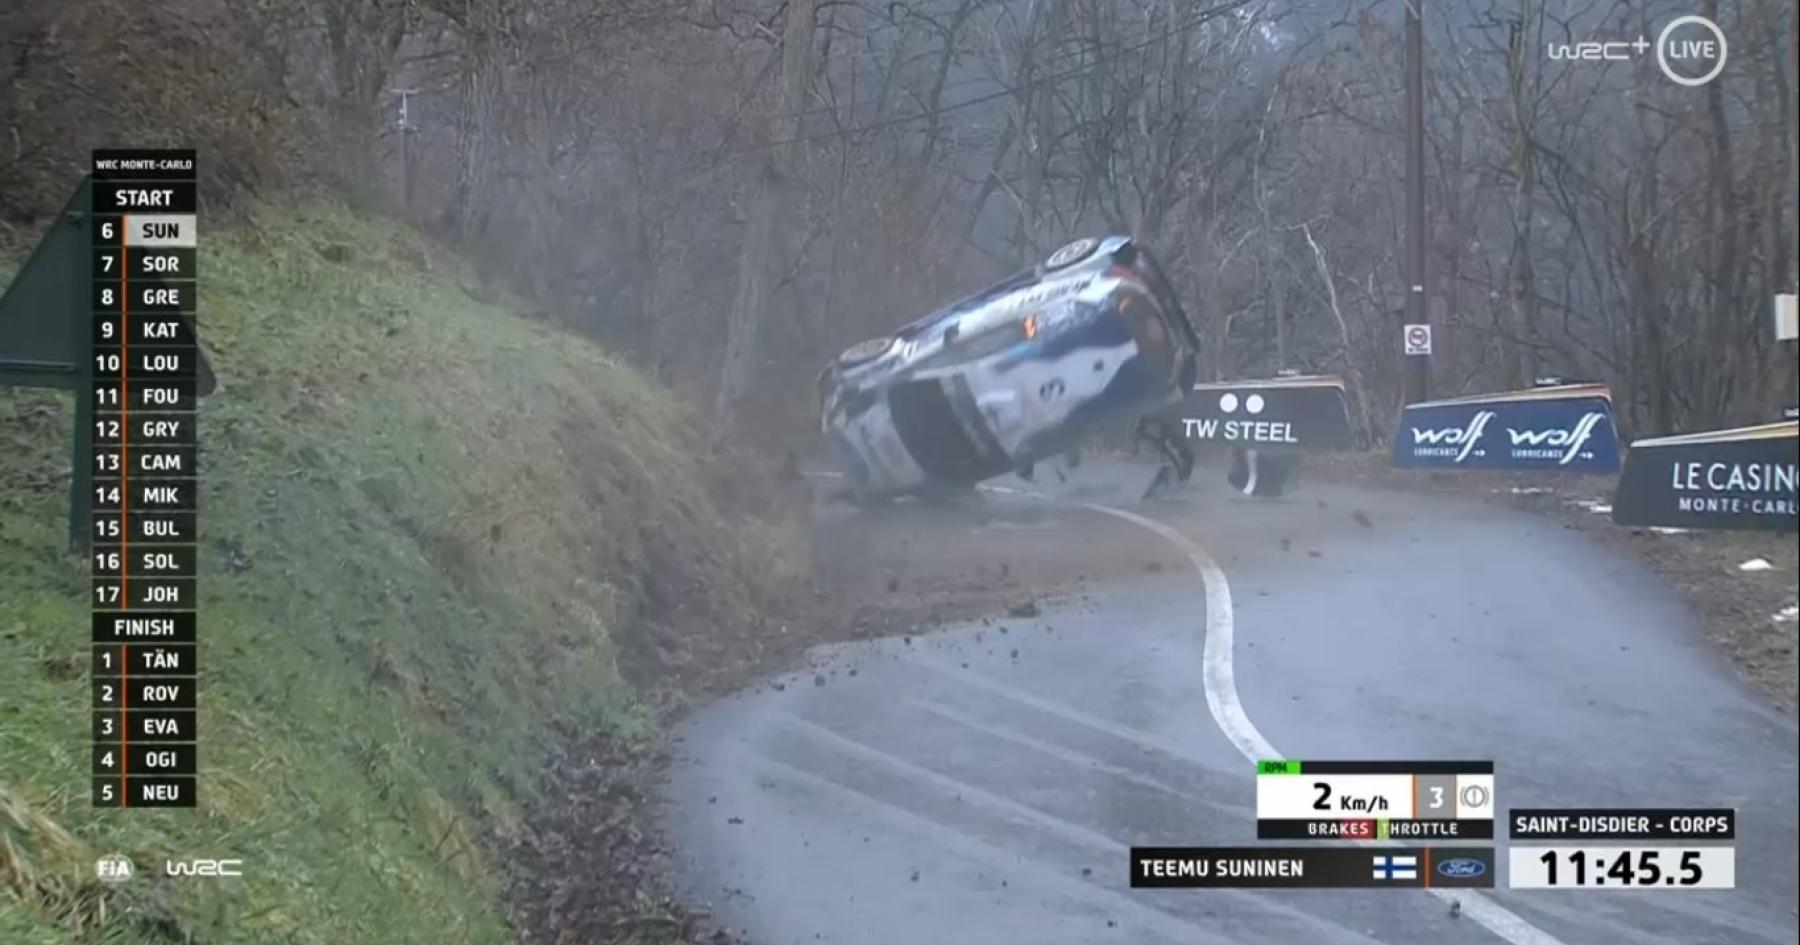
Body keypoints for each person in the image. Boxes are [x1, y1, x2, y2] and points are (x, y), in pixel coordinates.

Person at [1134, 414, 1194, 499]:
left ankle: (1154, 495)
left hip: (1183, 459)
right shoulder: (1161, 436)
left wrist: (1179, 470)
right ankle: (1154, 495)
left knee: (1166, 473)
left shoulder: (1166, 438)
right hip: (1179, 459)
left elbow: (1173, 455)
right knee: (1165, 475)